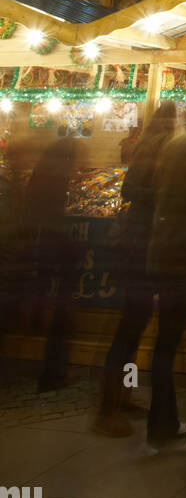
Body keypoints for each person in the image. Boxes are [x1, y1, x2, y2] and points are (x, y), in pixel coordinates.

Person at [92, 102, 177, 436]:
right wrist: (161, 192)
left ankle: (123, 398)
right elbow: (130, 190)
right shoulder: (151, 149)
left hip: (147, 246)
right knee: (129, 328)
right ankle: (107, 408)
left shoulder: (157, 147)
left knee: (136, 327)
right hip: (138, 247)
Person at [142, 130, 186, 454]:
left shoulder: (166, 185)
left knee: (164, 350)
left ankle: (163, 425)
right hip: (179, 272)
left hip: (163, 269)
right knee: (169, 350)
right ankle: (166, 428)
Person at [25, 132, 83, 392]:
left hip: (41, 263)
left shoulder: (40, 178)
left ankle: (51, 372)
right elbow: (52, 224)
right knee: (60, 315)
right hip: (51, 262)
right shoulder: (55, 182)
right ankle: (52, 374)